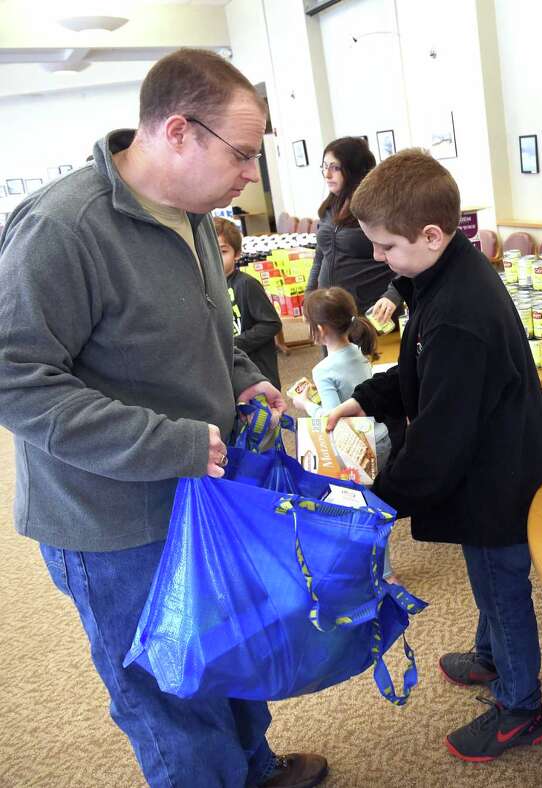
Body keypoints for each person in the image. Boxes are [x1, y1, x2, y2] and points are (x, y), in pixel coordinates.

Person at [0, 49, 326, 788]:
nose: (252, 172)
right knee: (169, 702)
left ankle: (253, 769)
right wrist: (168, 443)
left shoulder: (192, 213)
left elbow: (205, 326)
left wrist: (243, 379)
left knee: (229, 652)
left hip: (199, 495)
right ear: (177, 132)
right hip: (113, 525)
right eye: (242, 154)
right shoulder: (61, 228)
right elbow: (15, 380)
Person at [324, 148, 542, 762]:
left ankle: (521, 708)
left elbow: (439, 436)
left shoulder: (458, 311)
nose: (377, 257)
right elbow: (418, 370)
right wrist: (367, 398)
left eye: (386, 247)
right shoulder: (438, 274)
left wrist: (383, 501)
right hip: (488, 459)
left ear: (432, 234)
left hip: (497, 474)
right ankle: (489, 658)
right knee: (487, 576)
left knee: (500, 584)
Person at [291, 286, 391, 465]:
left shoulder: (323, 370)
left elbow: (331, 419)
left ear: (320, 330)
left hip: (359, 446)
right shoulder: (360, 350)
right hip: (382, 436)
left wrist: (305, 404)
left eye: (308, 324)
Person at [307, 137, 402, 325]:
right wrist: (310, 293)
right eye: (324, 166)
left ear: (353, 169)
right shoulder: (330, 207)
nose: (327, 174)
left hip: (370, 310)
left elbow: (405, 257)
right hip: (330, 309)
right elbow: (321, 255)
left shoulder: (378, 209)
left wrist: (393, 295)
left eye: (334, 167)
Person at [216, 216, 282, 389]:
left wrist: (235, 343)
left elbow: (271, 323)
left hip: (257, 370)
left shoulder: (247, 284)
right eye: (210, 251)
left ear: (237, 254)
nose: (215, 258)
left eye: (223, 252)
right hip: (230, 370)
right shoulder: (209, 287)